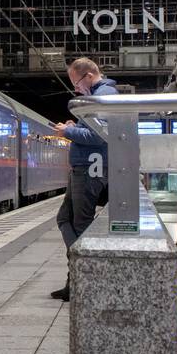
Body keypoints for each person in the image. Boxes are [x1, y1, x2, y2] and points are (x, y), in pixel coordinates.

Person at [49, 58, 118, 301]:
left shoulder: (103, 95)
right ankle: (77, 276)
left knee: (80, 225)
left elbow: (99, 136)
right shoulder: (99, 95)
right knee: (65, 218)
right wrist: (74, 127)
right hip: (86, 168)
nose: (76, 88)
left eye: (76, 83)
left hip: (90, 169)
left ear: (89, 76)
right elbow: (93, 131)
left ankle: (84, 278)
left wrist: (67, 131)